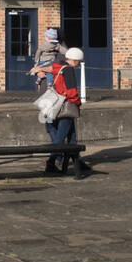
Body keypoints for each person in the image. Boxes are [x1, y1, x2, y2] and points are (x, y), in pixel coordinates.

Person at [46, 46, 91, 175]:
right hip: (67, 106)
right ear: (76, 61)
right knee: (61, 137)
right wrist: (78, 102)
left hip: (57, 105)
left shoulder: (58, 68)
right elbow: (71, 91)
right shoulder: (69, 70)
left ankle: (78, 163)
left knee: (72, 138)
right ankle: (51, 163)